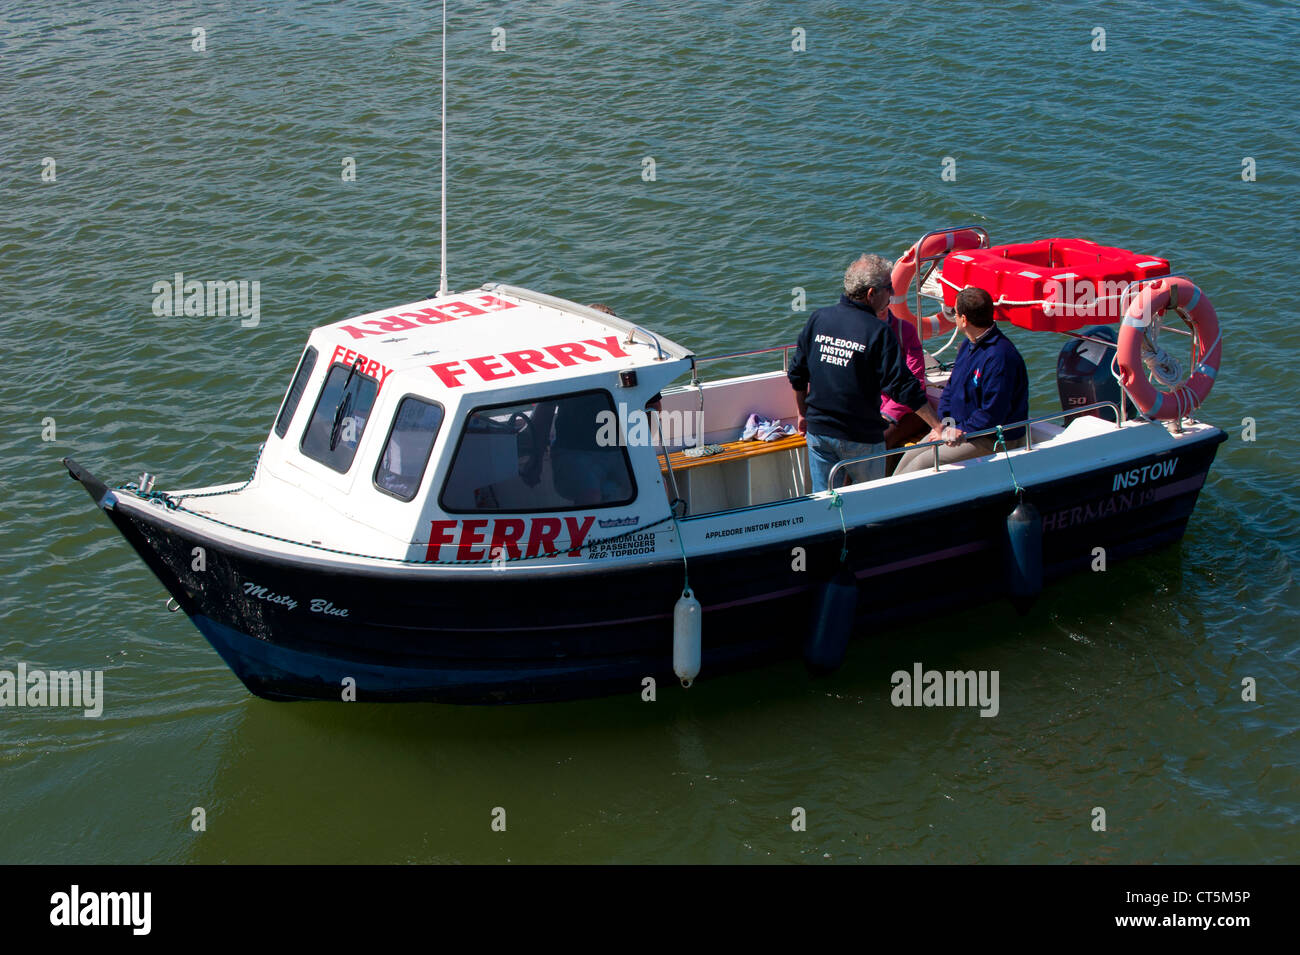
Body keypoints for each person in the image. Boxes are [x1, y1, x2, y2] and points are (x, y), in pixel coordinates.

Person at [788, 254, 942, 492]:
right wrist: (937, 426)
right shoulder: (878, 332)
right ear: (871, 294)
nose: (891, 294)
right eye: (888, 288)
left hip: (819, 432)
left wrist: (802, 413)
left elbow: (798, 372)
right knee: (869, 500)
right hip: (860, 437)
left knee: (826, 501)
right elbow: (901, 385)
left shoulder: (818, 319)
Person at [895, 286, 1029, 475]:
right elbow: (950, 390)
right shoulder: (968, 344)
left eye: (954, 312)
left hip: (989, 438)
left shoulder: (1000, 357)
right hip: (957, 428)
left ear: (964, 319)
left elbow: (992, 413)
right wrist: (945, 426)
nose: (954, 316)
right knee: (909, 456)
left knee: (922, 464)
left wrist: (961, 431)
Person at [878, 303, 930, 475]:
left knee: (881, 437)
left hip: (912, 409)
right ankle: (843, 489)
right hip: (874, 407)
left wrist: (887, 413)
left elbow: (916, 382)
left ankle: (882, 486)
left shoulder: (904, 330)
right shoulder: (859, 331)